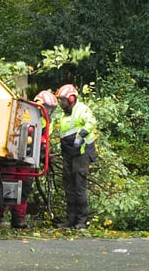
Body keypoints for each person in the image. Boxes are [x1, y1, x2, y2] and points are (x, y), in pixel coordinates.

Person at [2, 90, 57, 229]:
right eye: (48, 107)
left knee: (24, 189)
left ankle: (18, 220)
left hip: (29, 159)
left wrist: (44, 155)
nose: (49, 111)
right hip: (11, 156)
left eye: (51, 109)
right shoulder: (23, 112)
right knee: (4, 184)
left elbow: (43, 141)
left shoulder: (45, 122)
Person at [54, 83, 97, 229]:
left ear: (72, 99)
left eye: (63, 100)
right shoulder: (63, 115)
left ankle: (81, 220)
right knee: (68, 186)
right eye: (60, 100)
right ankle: (70, 219)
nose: (61, 103)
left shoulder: (81, 110)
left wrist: (81, 136)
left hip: (81, 153)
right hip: (68, 153)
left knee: (79, 187)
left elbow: (91, 122)